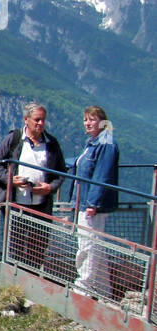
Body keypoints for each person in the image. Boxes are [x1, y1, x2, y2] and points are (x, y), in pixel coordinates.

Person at [0, 102, 67, 272]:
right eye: (37, 120)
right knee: (14, 245)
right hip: (16, 204)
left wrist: (50, 187)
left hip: (41, 205)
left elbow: (61, 172)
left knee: (37, 247)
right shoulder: (15, 139)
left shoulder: (51, 144)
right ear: (26, 120)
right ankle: (13, 281)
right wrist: (11, 180)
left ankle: (30, 282)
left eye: (43, 120)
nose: (40, 124)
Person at [69, 106, 120, 298]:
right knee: (95, 247)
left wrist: (93, 203)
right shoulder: (93, 143)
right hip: (85, 202)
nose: (88, 123)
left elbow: (102, 176)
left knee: (88, 247)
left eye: (92, 119)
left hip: (91, 207)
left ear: (102, 122)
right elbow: (80, 163)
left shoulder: (105, 144)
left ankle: (81, 289)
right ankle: (104, 292)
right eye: (85, 120)